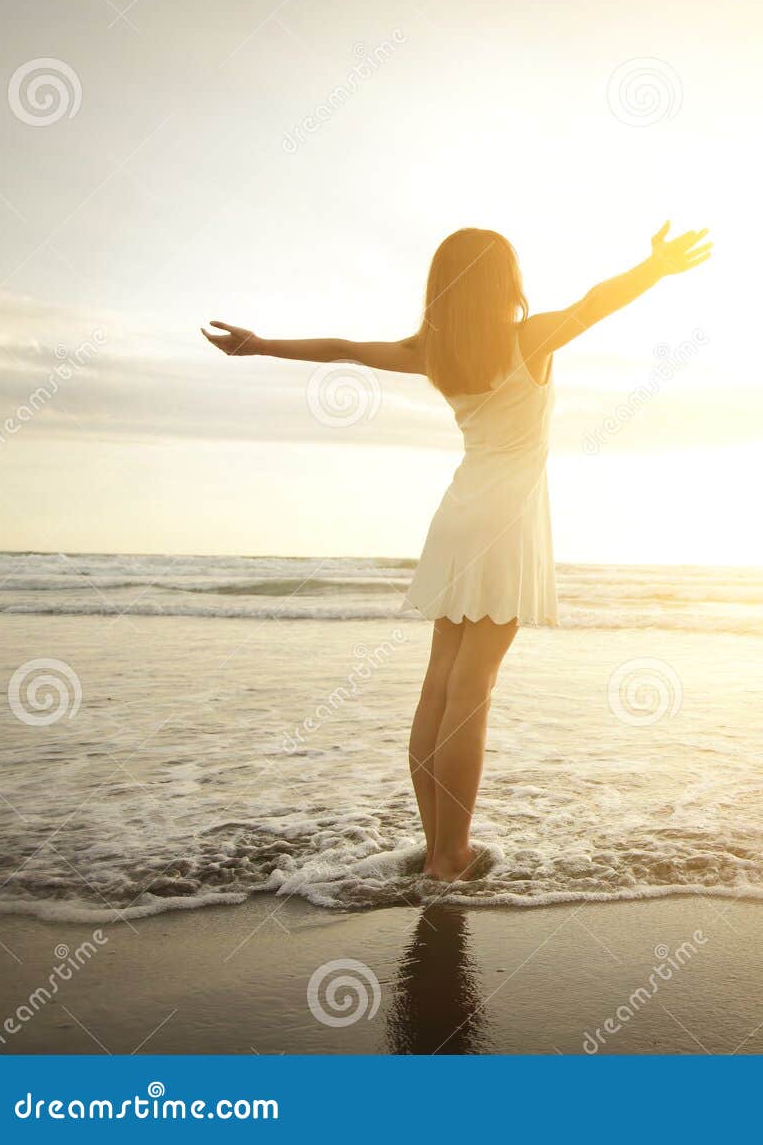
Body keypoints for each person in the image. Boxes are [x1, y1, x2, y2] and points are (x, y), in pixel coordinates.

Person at [202, 222, 712, 879]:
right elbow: (596, 301)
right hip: (508, 522)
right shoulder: (531, 339)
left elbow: (344, 347)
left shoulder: (432, 352)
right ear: (508, 281)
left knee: (441, 686)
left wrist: (261, 345)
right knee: (472, 691)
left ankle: (438, 844)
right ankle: (452, 855)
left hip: (458, 514)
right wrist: (656, 268)